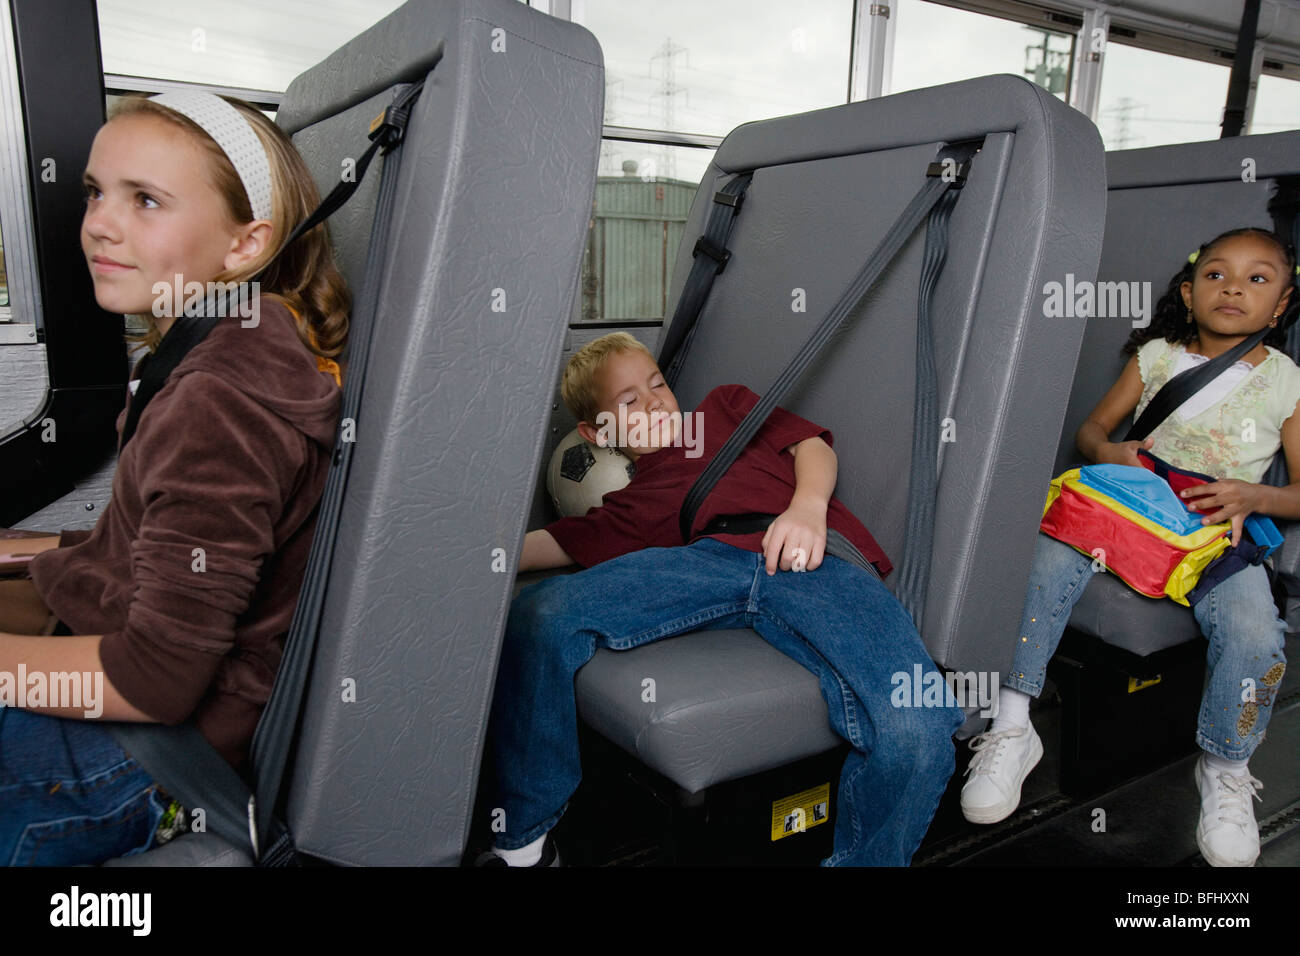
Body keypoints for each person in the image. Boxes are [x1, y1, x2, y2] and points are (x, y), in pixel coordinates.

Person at [0, 91, 348, 865]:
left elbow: (156, 681)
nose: (99, 223)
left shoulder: (220, 399)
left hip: (149, 761)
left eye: (146, 200)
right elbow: (151, 537)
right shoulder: (218, 344)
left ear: (243, 244)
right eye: (97, 191)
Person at [476, 332, 964, 867]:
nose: (656, 401)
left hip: (812, 560)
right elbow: (536, 550)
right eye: (630, 401)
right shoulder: (630, 505)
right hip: (709, 564)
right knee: (539, 613)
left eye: (657, 383)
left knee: (918, 723)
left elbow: (813, 447)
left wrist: (806, 508)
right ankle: (523, 844)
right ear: (597, 432)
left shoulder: (723, 409)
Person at [960, 227, 1300, 867]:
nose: (1233, 286)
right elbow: (1092, 430)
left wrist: (1255, 498)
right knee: (1045, 560)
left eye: (1258, 278)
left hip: (1210, 537)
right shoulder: (1157, 357)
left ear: (1281, 305)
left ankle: (1226, 767)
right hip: (1129, 516)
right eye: (1216, 274)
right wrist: (1108, 451)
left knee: (1257, 630)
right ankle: (1011, 724)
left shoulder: (1287, 381)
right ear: (1188, 290)